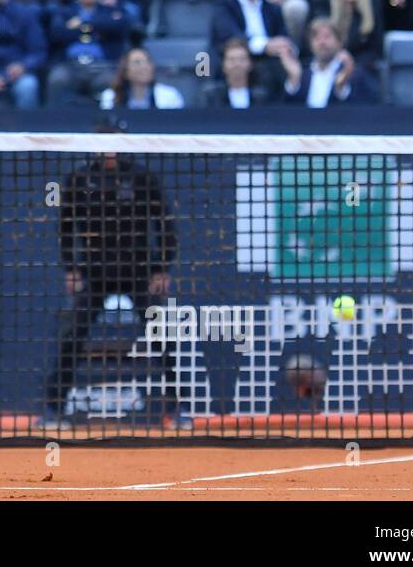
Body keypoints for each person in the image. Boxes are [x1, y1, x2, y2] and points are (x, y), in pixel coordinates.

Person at [47, 121, 176, 426]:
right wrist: (71, 268)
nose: (109, 149)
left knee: (162, 335)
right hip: (95, 271)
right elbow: (66, 228)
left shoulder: (143, 177)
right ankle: (54, 410)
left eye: (115, 142)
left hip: (139, 270)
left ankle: (177, 409)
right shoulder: (79, 179)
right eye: (103, 142)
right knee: (73, 336)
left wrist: (162, 268)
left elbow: (164, 223)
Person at [47, 0, 131, 106]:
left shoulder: (113, 10)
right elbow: (57, 33)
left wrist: (81, 24)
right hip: (69, 66)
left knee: (111, 82)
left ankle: (111, 121)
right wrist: (98, 30)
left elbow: (119, 27)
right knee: (57, 79)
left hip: (104, 66)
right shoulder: (63, 12)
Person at [211, 0, 296, 92]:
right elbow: (230, 36)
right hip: (235, 62)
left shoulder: (272, 8)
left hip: (270, 64)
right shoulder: (224, 5)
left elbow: (283, 35)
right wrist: (265, 46)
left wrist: (284, 46)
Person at [281, 16, 380, 105]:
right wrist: (294, 79)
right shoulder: (301, 73)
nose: (322, 42)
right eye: (316, 37)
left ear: (340, 42)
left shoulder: (355, 74)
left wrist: (341, 89)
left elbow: (367, 110)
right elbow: (284, 112)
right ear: (310, 44)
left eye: (327, 36)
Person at [326, 0, 382, 67]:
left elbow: (376, 51)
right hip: (332, 66)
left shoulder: (372, 8)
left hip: (361, 67)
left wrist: (351, 62)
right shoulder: (326, 9)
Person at [99, 45, 186, 110]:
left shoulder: (169, 95)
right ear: (125, 70)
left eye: (147, 61)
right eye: (137, 62)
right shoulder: (109, 97)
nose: (144, 67)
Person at [202, 36, 273, 107]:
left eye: (242, 59)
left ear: (250, 64)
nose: (237, 64)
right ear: (223, 65)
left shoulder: (262, 97)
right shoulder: (212, 96)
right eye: (232, 60)